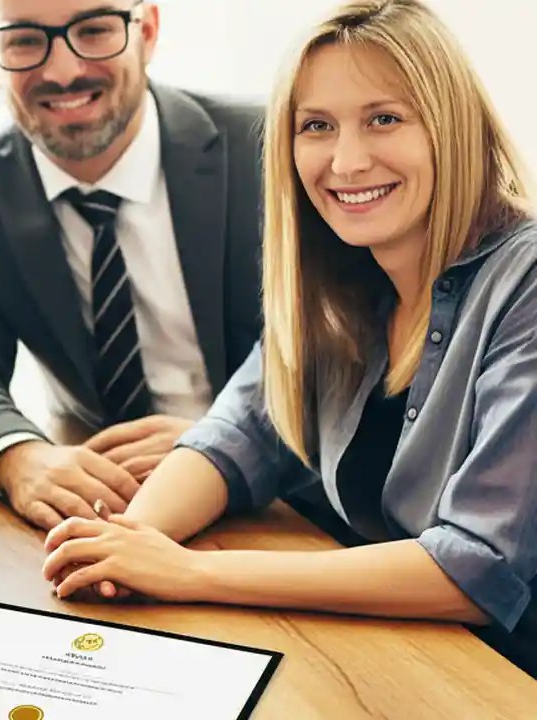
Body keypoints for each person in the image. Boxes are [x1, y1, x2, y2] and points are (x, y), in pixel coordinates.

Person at [42, 0, 537, 675]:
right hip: (407, 659)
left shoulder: (526, 282)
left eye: (384, 119)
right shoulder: (339, 280)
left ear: (451, 126)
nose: (347, 160)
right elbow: (237, 436)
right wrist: (129, 541)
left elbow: (476, 566)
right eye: (317, 127)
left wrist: (189, 574)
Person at [0, 0, 264, 529]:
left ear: (147, 31)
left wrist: (224, 442)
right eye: (25, 40)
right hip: (102, 497)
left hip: (275, 497)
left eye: (94, 30)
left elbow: (336, 351)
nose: (63, 71)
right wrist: (18, 456)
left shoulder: (265, 143)